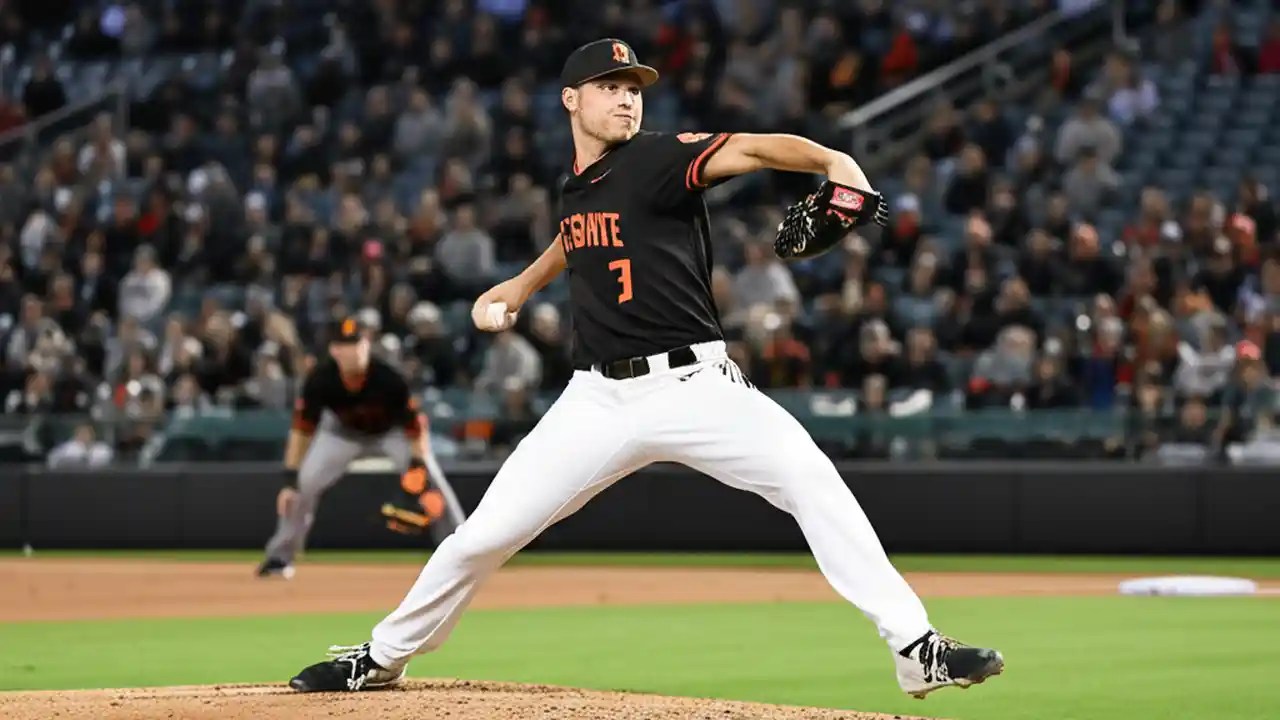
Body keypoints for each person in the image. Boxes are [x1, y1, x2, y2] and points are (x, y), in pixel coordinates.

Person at [287, 38, 1003, 699]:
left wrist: (831, 162)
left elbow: (752, 151)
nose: (628, 97)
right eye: (610, 86)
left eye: (634, 87)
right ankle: (381, 656)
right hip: (596, 400)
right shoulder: (578, 185)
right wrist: (520, 286)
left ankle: (914, 646)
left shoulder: (658, 157)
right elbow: (579, 237)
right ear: (572, 100)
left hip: (697, 387)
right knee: (483, 535)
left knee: (810, 478)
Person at [256, 316, 466, 578]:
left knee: (431, 479)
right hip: (340, 435)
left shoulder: (388, 376)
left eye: (358, 343)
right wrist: (289, 478)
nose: (354, 350)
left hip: (390, 433)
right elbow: (301, 432)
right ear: (334, 351)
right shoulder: (321, 379)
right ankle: (280, 557)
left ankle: (463, 552)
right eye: (346, 345)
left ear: (366, 345)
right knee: (303, 483)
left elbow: (415, 427)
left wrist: (416, 464)